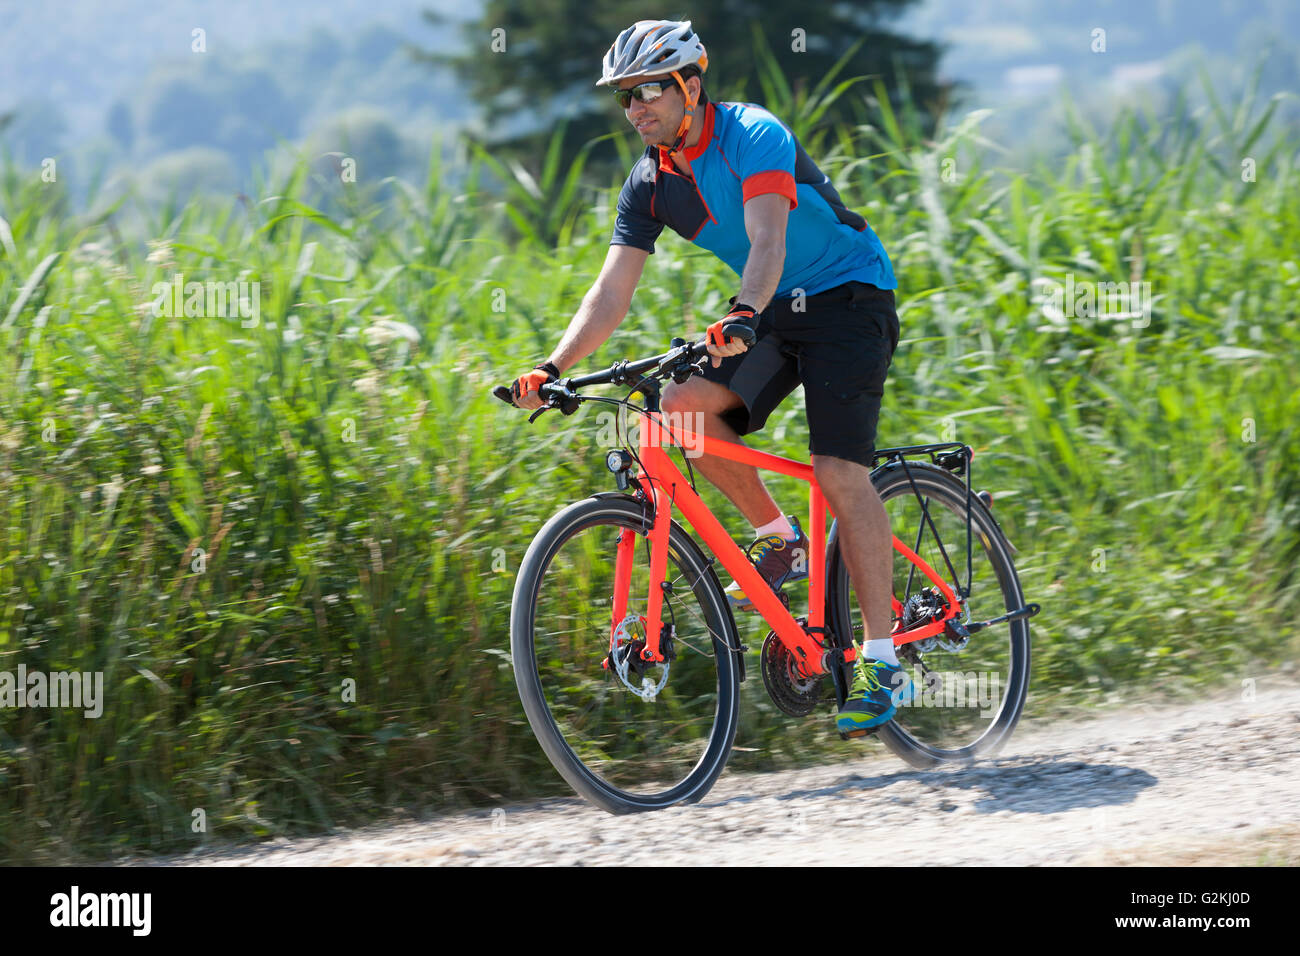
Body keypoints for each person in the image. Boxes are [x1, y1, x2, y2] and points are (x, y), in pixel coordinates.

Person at [509, 18, 912, 734]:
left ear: (691, 86)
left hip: (851, 297)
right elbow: (610, 292)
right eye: (625, 98)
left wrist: (743, 313)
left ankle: (882, 661)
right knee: (679, 409)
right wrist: (552, 367)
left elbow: (769, 237)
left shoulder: (753, 135)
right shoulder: (651, 183)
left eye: (649, 91)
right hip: (774, 312)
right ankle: (781, 539)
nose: (636, 109)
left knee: (837, 470)